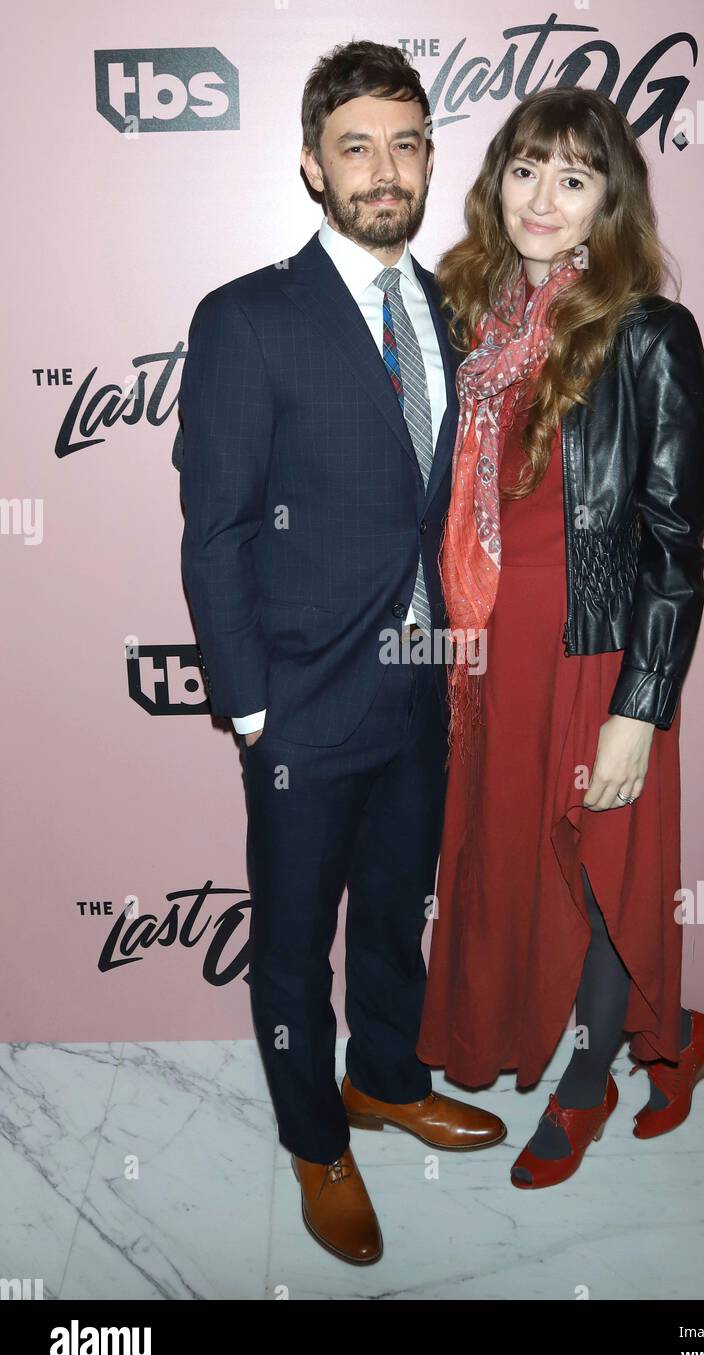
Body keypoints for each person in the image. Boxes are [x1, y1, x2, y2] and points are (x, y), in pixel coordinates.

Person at [178, 41, 505, 1264]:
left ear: (429, 160)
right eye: (356, 146)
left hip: (421, 698)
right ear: (311, 166)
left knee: (391, 921)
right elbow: (213, 533)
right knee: (293, 939)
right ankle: (317, 1141)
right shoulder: (246, 318)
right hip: (301, 710)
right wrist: (252, 713)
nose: (385, 169)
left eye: (407, 144)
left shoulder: (449, 311)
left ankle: (386, 1076)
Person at [416, 85, 704, 1190]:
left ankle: (586, 1084)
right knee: (522, 869)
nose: (542, 197)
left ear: (608, 201)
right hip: (491, 658)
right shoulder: (469, 321)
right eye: (524, 169)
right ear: (494, 180)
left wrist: (641, 704)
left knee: (603, 873)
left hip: (598, 651)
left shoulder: (646, 333)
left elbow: (674, 541)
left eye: (573, 175)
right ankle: (676, 1036)